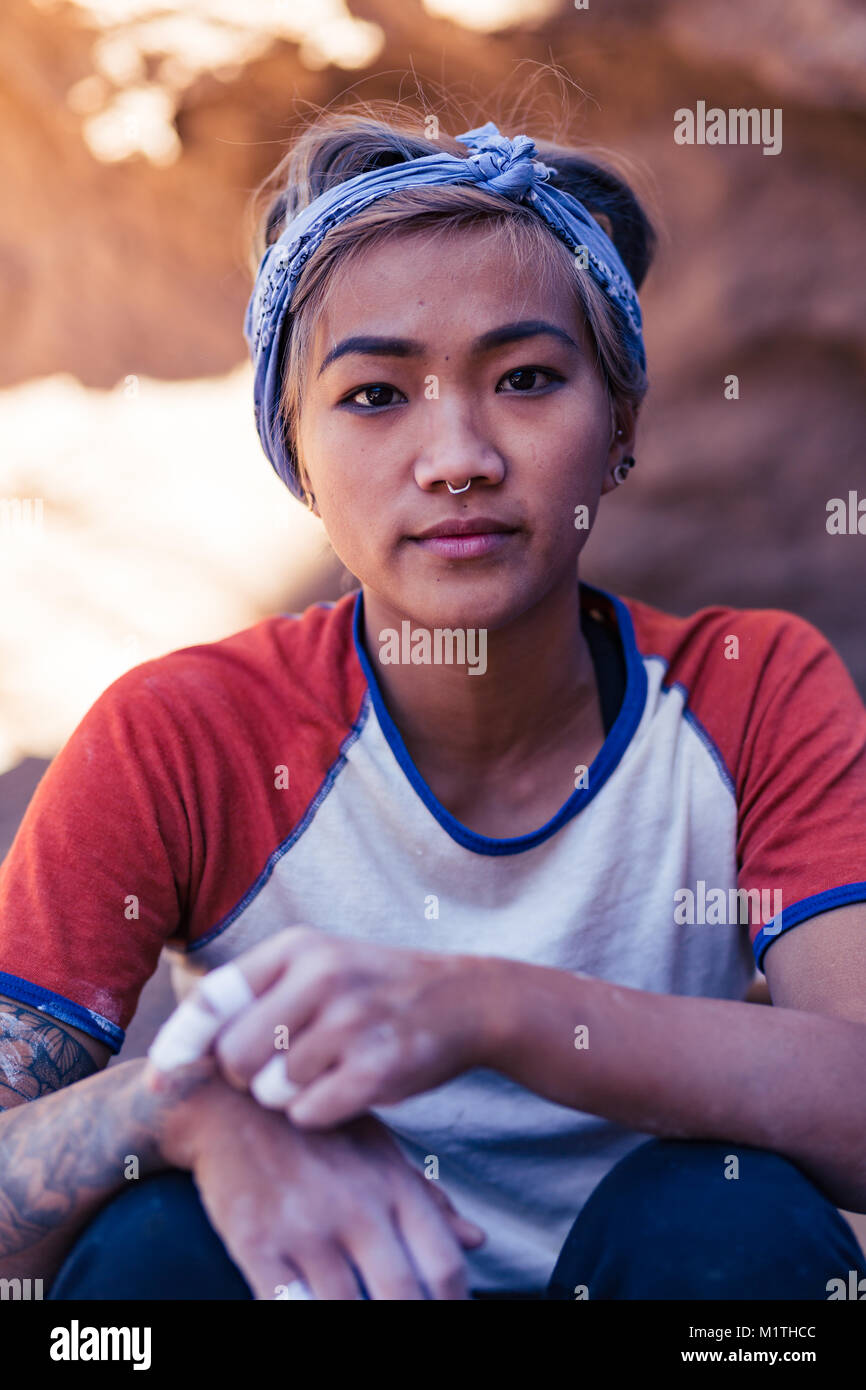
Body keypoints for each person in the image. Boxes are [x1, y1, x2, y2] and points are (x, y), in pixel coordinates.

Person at [1, 101, 865, 1302]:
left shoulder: (748, 690)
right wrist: (176, 1107)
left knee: (728, 1221)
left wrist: (489, 1008)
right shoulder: (184, 733)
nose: (456, 453)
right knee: (156, 1246)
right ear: (293, 455)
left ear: (618, 423)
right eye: (372, 395)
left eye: (523, 377)